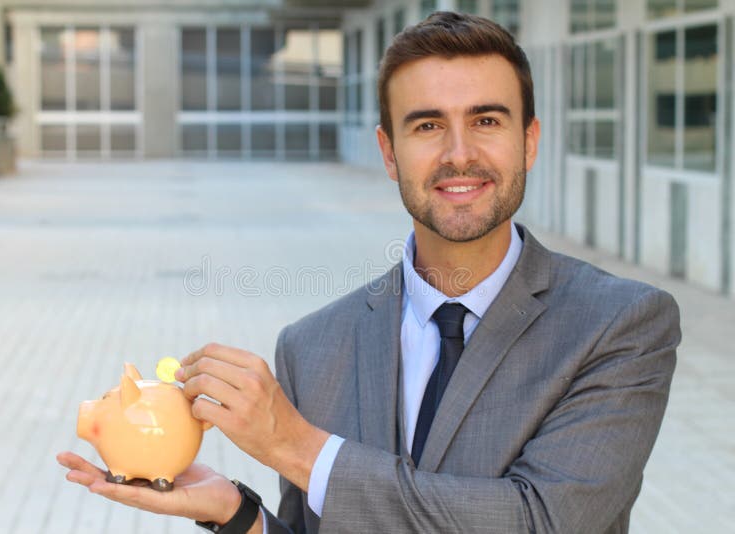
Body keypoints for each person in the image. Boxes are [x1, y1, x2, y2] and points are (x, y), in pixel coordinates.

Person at [58, 12, 680, 533]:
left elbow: (540, 521)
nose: (459, 153)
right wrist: (235, 512)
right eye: (428, 125)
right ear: (388, 152)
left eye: (486, 121)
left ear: (530, 141)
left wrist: (297, 447)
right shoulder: (311, 347)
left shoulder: (620, 325)